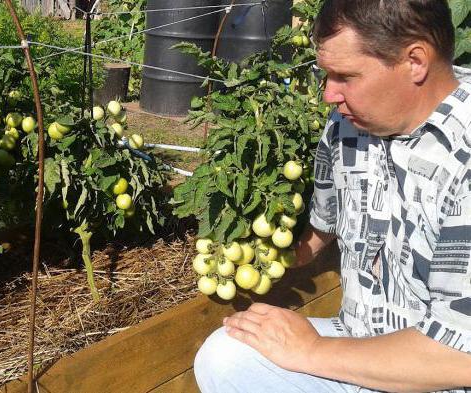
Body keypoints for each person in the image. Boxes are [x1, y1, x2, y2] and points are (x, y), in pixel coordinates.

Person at [193, 0, 471, 392]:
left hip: (437, 375)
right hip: (356, 344)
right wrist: (259, 256)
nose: (328, 95)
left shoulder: (464, 155)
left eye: (345, 76)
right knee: (225, 356)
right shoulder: (347, 127)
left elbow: (461, 356)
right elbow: (325, 228)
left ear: (415, 61)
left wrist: (309, 350)